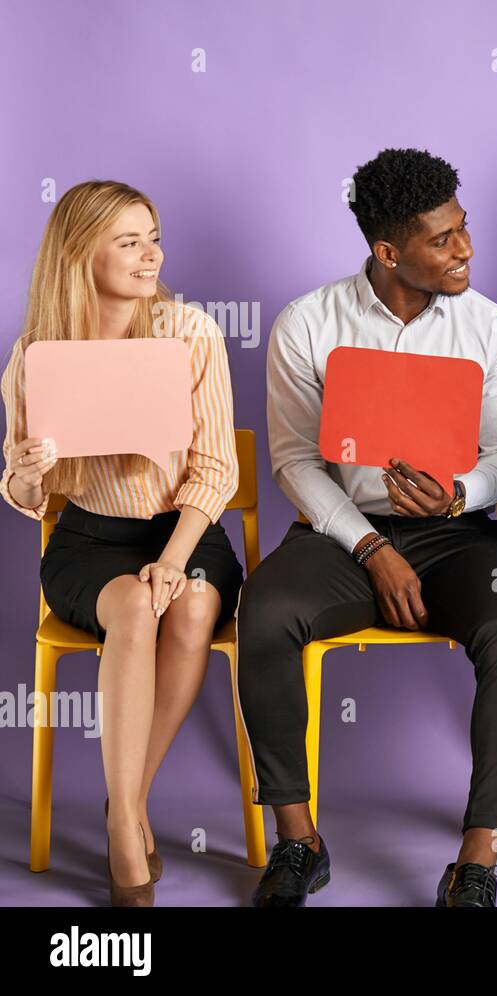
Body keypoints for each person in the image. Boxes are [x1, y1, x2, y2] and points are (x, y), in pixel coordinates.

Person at [236, 149, 497, 908]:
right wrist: (370, 548)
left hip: (461, 535)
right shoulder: (309, 323)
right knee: (265, 612)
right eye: (443, 240)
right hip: (344, 533)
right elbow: (294, 461)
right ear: (388, 251)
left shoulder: (494, 329)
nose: (466, 248)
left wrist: (460, 493)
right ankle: (298, 841)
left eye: (464, 229)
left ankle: (478, 854)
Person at [1, 180, 242, 907]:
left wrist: (174, 561)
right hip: (89, 541)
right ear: (81, 253)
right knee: (136, 611)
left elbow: (218, 467)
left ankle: (124, 803)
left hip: (184, 531)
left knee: (194, 605)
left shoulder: (189, 331)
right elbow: (26, 498)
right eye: (128, 241)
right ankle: (128, 826)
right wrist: (26, 477)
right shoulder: (37, 353)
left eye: (153, 237)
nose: (151, 255)